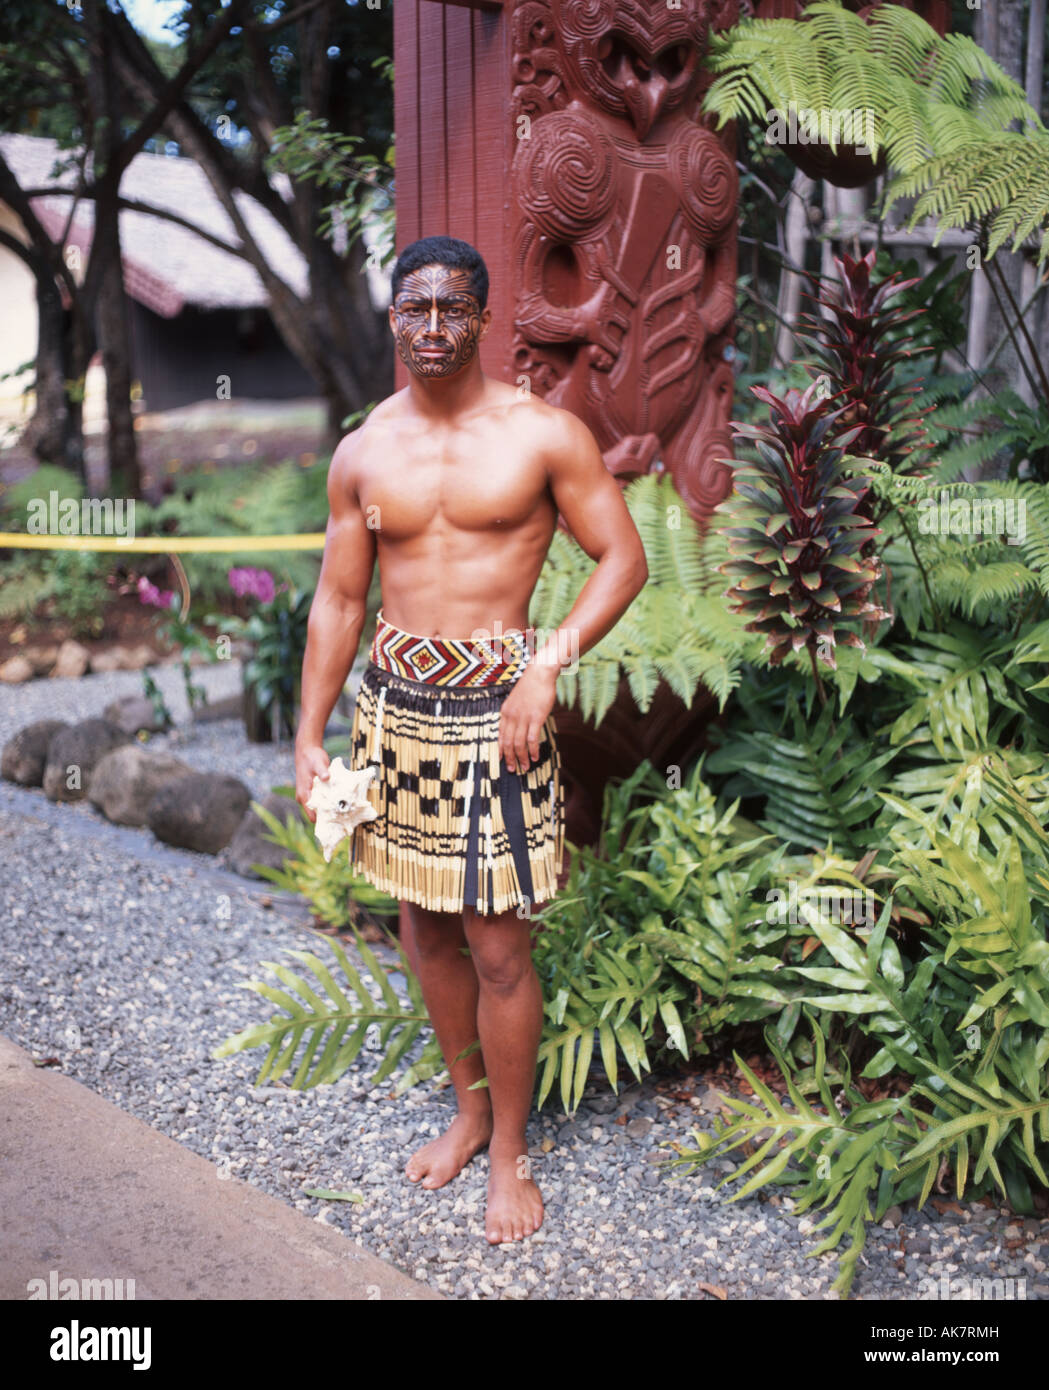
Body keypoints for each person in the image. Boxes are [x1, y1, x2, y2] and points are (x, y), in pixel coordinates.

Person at [294, 234, 647, 1244]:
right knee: (423, 924)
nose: (434, 327)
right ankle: (468, 1110)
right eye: (416, 308)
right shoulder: (364, 451)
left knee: (497, 944)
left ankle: (509, 1152)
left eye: (454, 308)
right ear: (392, 318)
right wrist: (309, 734)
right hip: (395, 714)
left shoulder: (541, 435)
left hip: (500, 718)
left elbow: (622, 558)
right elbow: (339, 600)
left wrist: (546, 664)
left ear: (484, 319)